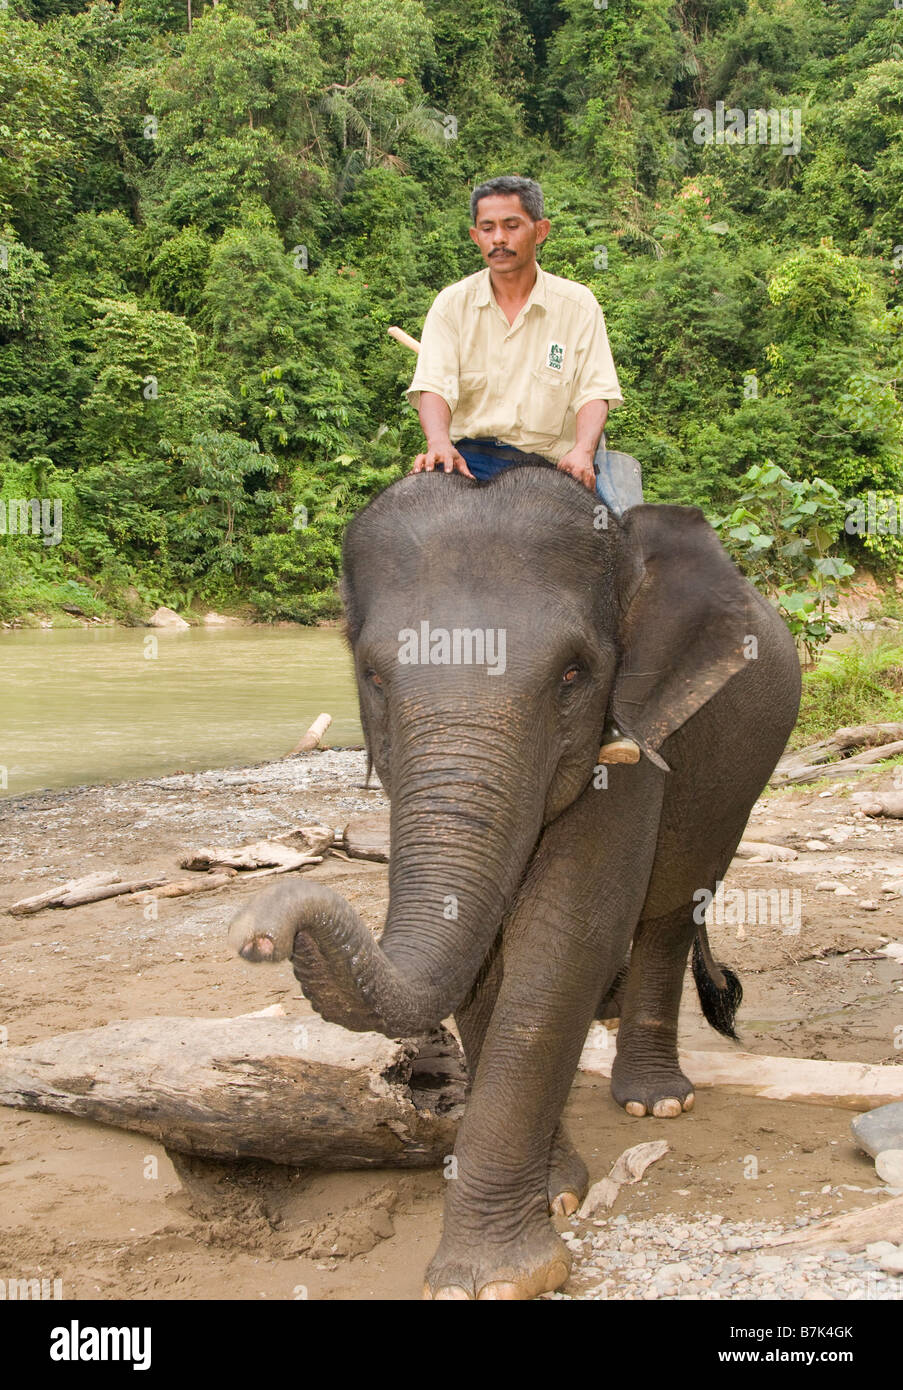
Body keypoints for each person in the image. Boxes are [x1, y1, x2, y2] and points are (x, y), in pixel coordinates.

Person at [406, 173, 641, 761]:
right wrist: (438, 441)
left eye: (512, 225)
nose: (499, 238)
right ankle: (413, 706)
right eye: (487, 228)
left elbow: (595, 392)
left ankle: (613, 714)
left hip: (557, 465)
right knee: (407, 553)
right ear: (474, 235)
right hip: (472, 458)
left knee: (619, 565)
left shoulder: (575, 304)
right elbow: (432, 385)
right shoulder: (453, 304)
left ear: (540, 230)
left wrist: (584, 450)